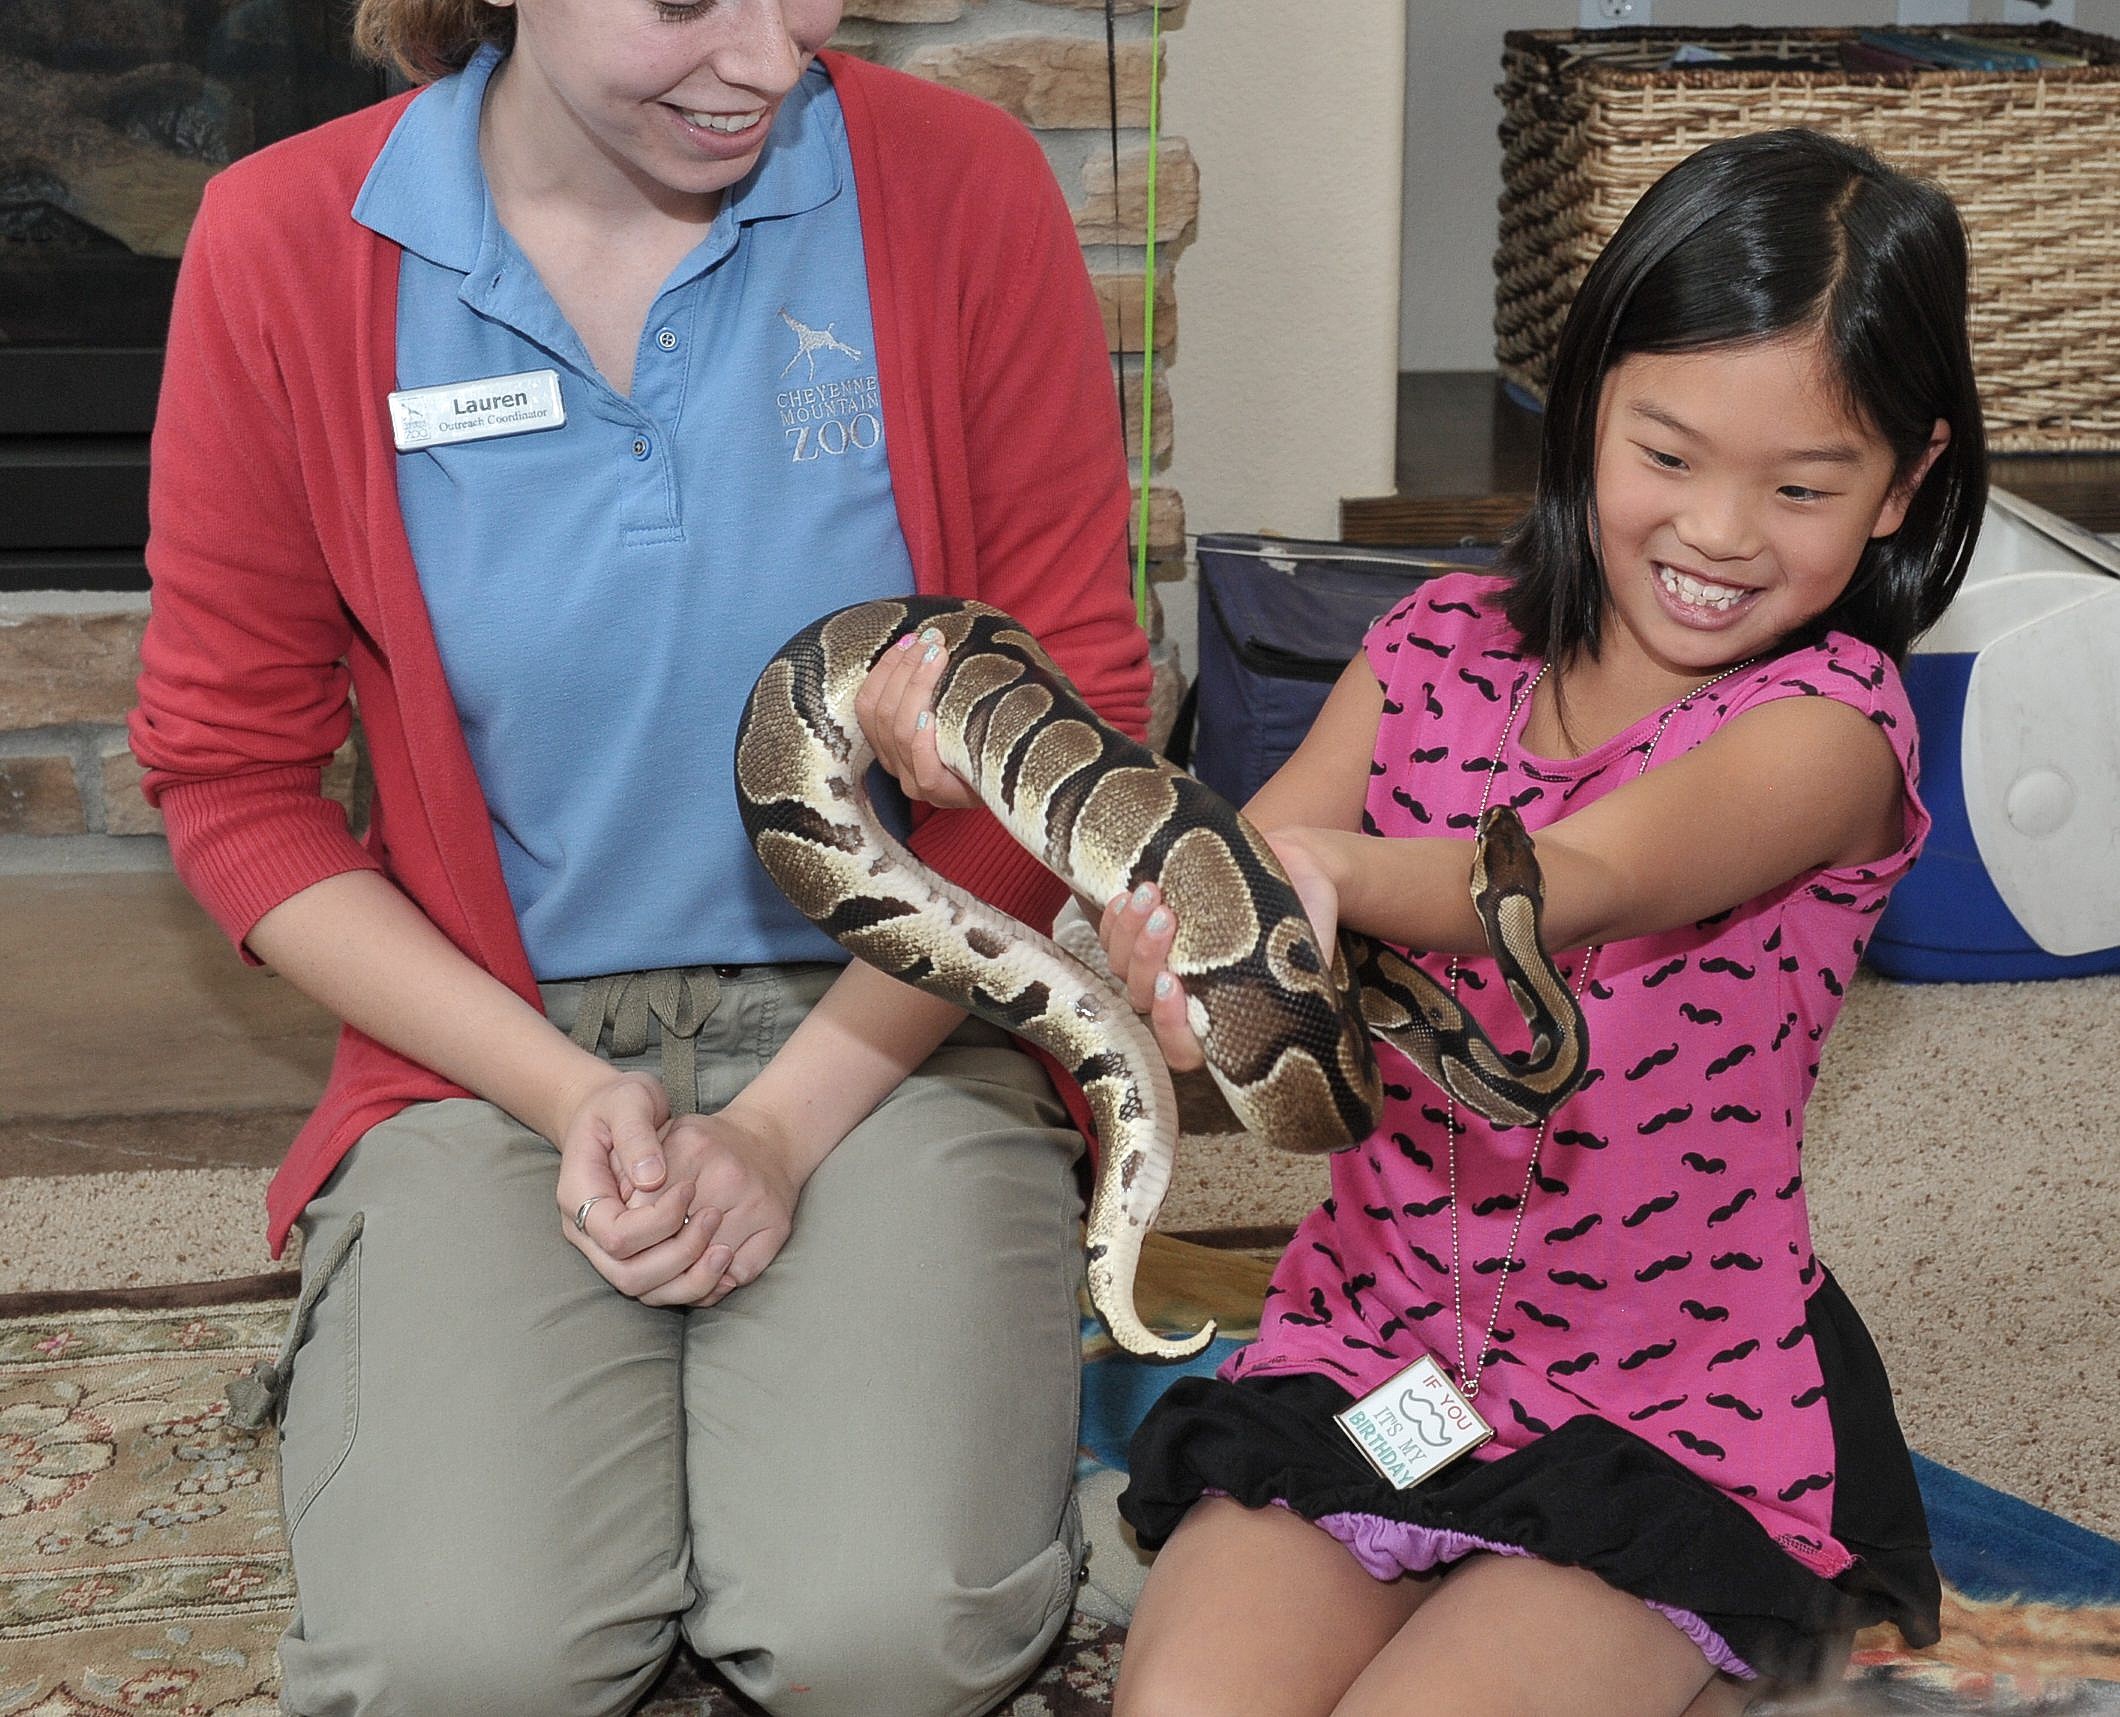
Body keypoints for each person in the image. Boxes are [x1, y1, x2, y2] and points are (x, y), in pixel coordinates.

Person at [127, 2, 1149, 1713]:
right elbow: (233, 780)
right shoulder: (285, 239)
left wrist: (774, 1125)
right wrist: (554, 1091)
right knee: (464, 1668)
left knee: (881, 1640)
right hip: (483, 1049)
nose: (760, 55)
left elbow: (1081, 714)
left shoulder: (958, 189)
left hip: (895, 1025)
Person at [1084, 128, 1983, 1716]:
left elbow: (1577, 877)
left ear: (1904, 485)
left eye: (1801, 486)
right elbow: (1244, 885)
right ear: (1578, 413)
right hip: (1373, 1352)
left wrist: (1340, 877)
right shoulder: (1428, 647)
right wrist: (1174, 961)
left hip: (1663, 1406)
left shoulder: (1833, 730)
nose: (1717, 531)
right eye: (1670, 453)